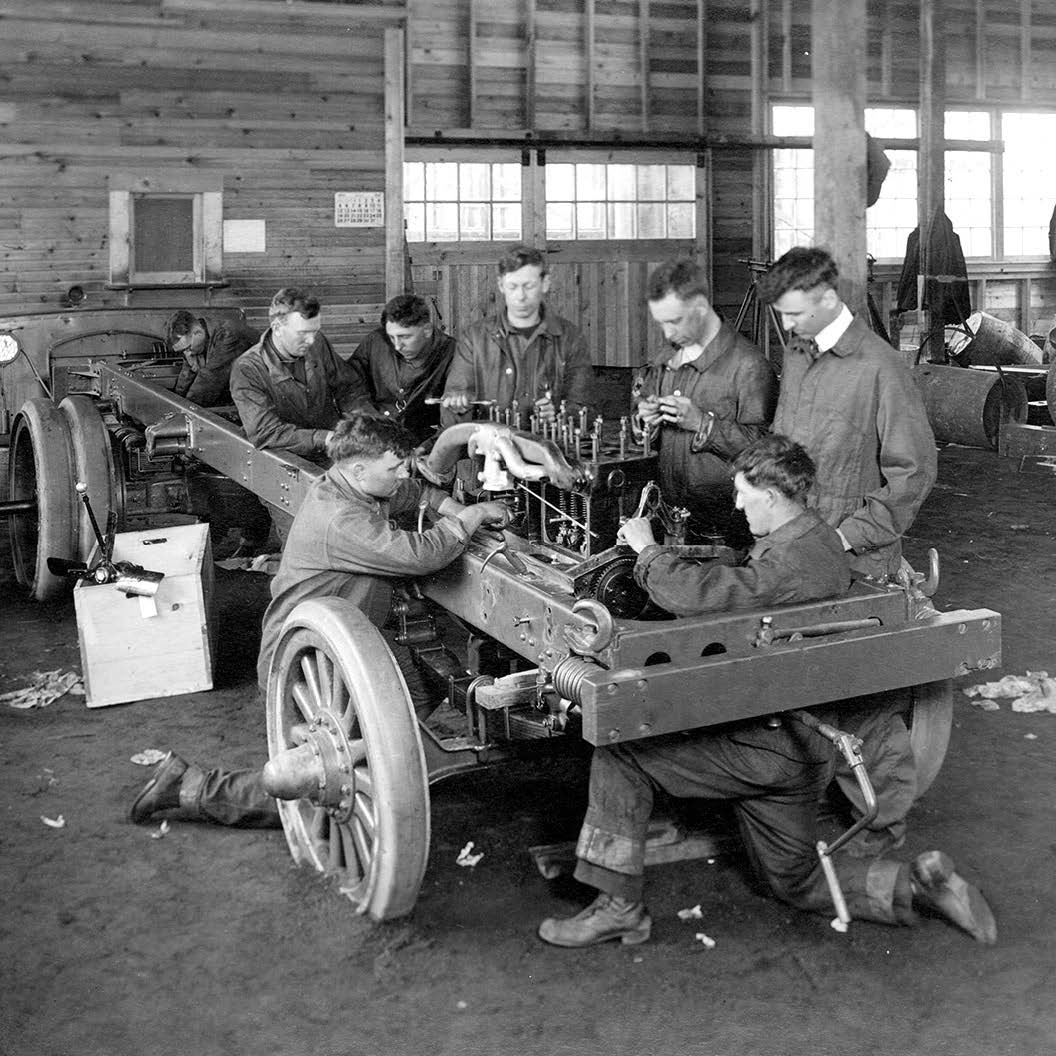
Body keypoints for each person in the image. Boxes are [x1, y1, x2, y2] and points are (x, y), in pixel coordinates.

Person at [537, 435, 995, 949]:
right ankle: (918, 886)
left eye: (742, 493)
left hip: (765, 745)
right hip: (806, 746)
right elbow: (748, 579)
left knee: (621, 756)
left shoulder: (790, 564)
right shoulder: (817, 541)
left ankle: (620, 908)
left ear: (773, 496)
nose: (736, 504)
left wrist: (646, 552)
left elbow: (705, 596)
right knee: (793, 880)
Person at [128, 413, 510, 828]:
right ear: (360, 469)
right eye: (394, 466)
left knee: (413, 695)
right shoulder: (340, 518)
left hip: (348, 637)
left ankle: (393, 769)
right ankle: (190, 788)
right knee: (318, 781)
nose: (403, 473)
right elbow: (421, 555)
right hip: (304, 658)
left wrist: (445, 503)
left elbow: (413, 493)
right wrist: (470, 518)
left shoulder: (356, 486)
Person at [757, 247, 939, 857]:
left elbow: (911, 476)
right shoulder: (800, 356)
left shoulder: (882, 369)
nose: (786, 326)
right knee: (796, 683)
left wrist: (844, 537)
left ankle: (883, 829)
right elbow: (785, 454)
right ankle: (814, 800)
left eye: (793, 313)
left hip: (853, 561)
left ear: (829, 299)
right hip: (793, 552)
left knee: (862, 701)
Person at [635, 258, 777, 547]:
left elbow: (766, 454)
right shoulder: (667, 357)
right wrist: (645, 420)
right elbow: (641, 420)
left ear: (700, 308)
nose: (667, 333)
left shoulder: (750, 367)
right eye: (661, 323)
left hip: (725, 532)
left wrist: (702, 424)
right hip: (670, 520)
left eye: (674, 321)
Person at [440, 245, 594, 427]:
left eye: (529, 286)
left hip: (548, 449)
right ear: (500, 285)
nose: (520, 296)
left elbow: (585, 408)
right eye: (512, 286)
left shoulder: (571, 338)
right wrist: (458, 408)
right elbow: (450, 417)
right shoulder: (474, 339)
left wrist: (561, 414)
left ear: (545, 284)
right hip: (489, 451)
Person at [230, 287, 364, 461]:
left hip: (335, 450)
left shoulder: (317, 343)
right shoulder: (248, 369)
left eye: (315, 331)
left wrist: (362, 425)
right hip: (289, 459)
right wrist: (324, 438)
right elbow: (266, 432)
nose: (311, 340)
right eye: (302, 333)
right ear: (277, 328)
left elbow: (348, 387)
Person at [346, 294, 455, 445]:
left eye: (405, 337)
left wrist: (429, 448)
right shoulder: (375, 340)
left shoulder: (452, 352)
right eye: (391, 337)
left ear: (427, 330)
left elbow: (454, 417)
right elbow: (350, 386)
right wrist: (371, 420)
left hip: (424, 441)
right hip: (375, 433)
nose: (397, 346)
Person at [164, 310, 260, 407]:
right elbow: (187, 375)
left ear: (197, 332)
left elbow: (211, 378)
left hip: (261, 394)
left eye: (188, 348)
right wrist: (174, 403)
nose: (187, 354)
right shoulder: (193, 346)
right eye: (183, 351)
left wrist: (187, 410)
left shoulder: (228, 334)